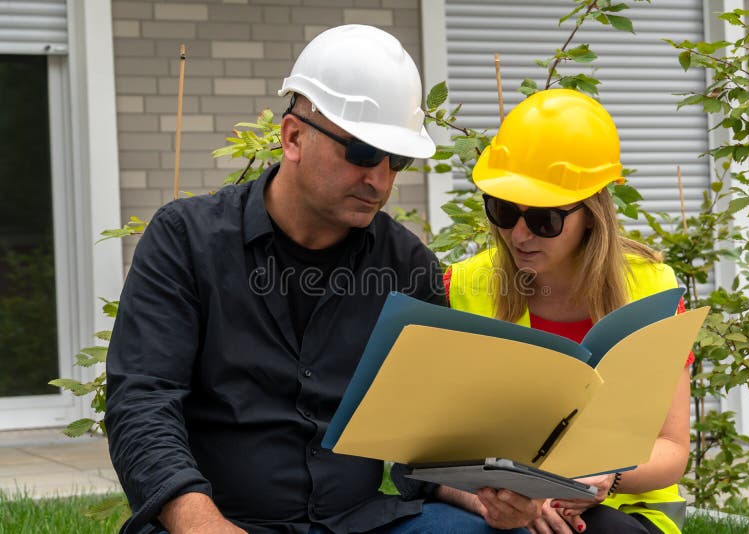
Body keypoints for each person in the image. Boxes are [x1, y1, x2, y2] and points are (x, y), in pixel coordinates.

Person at [106, 25, 535, 534]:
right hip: (219, 518)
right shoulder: (185, 240)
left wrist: (481, 494)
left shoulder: (405, 265)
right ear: (293, 137)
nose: (379, 179)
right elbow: (142, 402)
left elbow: (424, 433)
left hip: (358, 522)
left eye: (396, 160)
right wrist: (199, 522)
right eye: (362, 153)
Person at [443, 89, 692, 534]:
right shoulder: (463, 285)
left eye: (545, 219)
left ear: (592, 213)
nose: (519, 235)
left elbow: (672, 447)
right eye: (503, 210)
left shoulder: (653, 288)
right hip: (497, 505)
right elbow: (428, 450)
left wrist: (607, 478)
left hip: (626, 510)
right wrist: (504, 499)